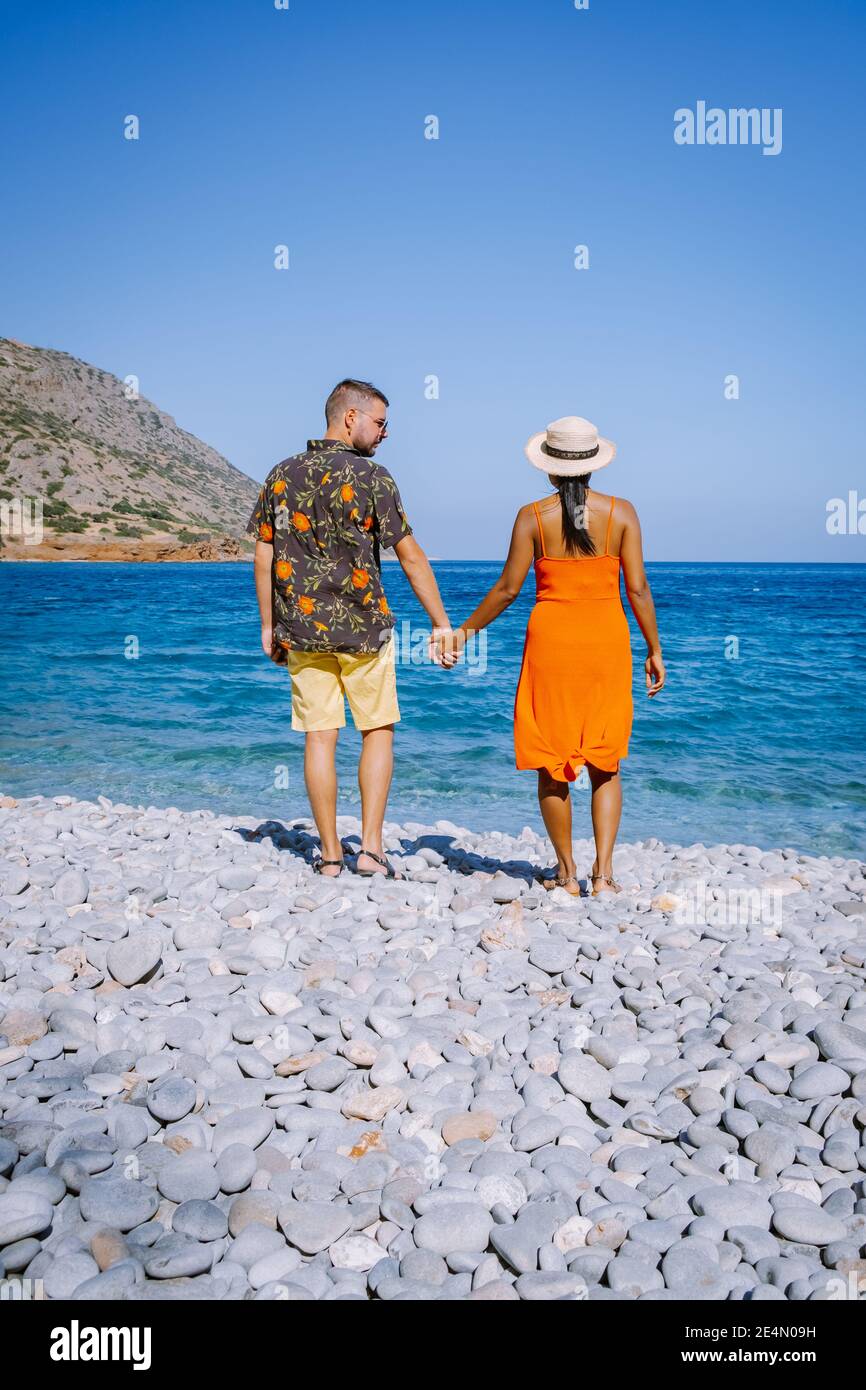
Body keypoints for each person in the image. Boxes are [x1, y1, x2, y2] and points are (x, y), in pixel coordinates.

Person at [436, 416, 665, 896]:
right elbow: (638, 589)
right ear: (593, 464)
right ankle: (604, 876)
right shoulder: (622, 513)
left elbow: (506, 590)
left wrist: (463, 632)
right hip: (606, 640)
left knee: (551, 761)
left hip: (552, 642)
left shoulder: (532, 517)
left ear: (549, 468)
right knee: (607, 760)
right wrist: (654, 648)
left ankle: (566, 874)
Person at [247, 378, 453, 878]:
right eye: (380, 422)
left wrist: (268, 626)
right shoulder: (372, 478)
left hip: (301, 630)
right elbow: (409, 555)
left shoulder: (281, 474)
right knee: (376, 731)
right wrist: (442, 622)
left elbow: (264, 553)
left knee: (320, 738)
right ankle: (372, 850)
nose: (385, 434)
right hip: (364, 631)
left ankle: (331, 855)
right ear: (350, 418)